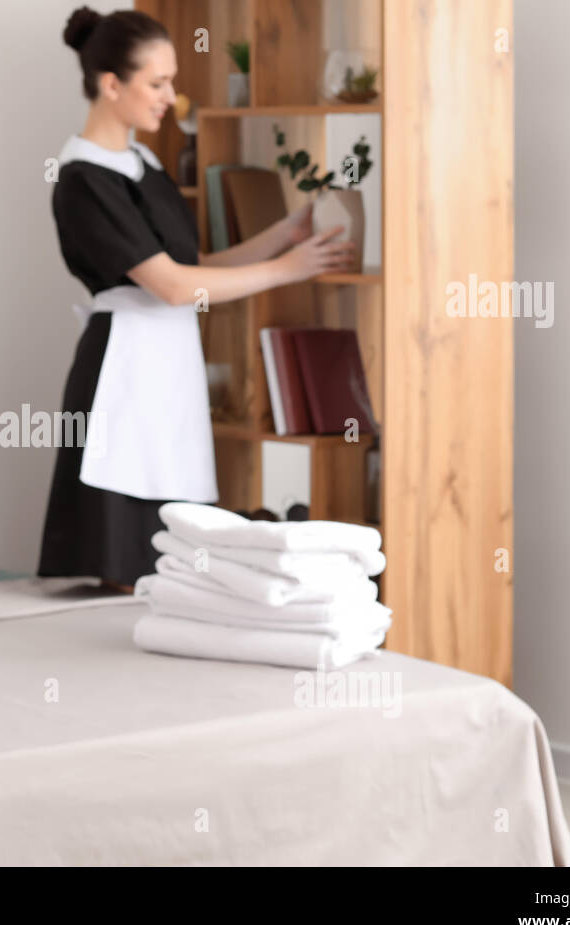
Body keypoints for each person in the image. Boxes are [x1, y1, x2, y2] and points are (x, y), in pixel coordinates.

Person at [37, 7, 357, 594]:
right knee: (126, 561)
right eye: (158, 83)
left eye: (172, 82)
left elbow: (196, 267)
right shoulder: (83, 177)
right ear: (112, 84)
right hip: (125, 366)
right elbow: (173, 286)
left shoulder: (145, 162)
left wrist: (286, 233)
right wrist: (287, 270)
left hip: (170, 364)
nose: (171, 98)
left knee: (177, 564)